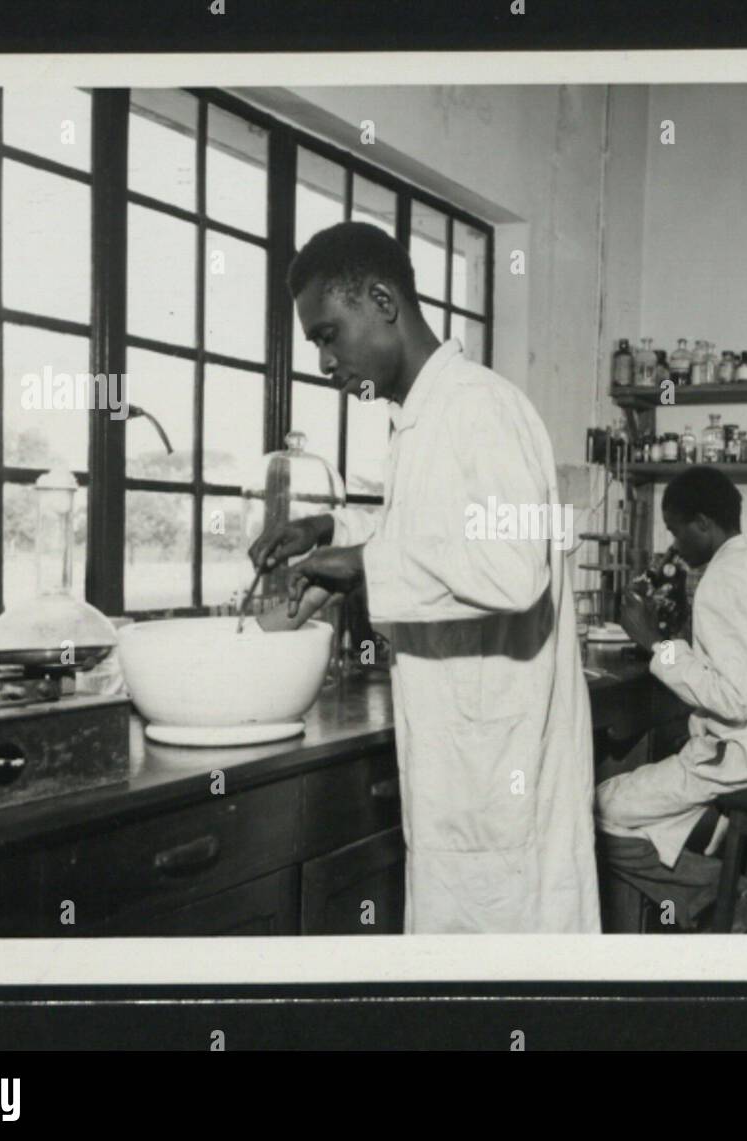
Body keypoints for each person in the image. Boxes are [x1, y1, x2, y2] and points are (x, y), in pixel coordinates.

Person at [249, 222, 599, 934]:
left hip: (502, 779)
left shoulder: (478, 408)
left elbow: (511, 567)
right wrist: (335, 535)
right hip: (467, 768)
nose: (322, 360)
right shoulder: (422, 419)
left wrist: (364, 566)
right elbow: (444, 540)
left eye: (325, 334)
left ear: (381, 299)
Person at [596, 466, 747, 931]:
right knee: (649, 803)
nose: (673, 544)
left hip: (746, 760)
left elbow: (733, 698)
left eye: (675, 529)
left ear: (703, 524)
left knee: (599, 807)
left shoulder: (722, 581)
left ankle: (735, 892)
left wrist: (653, 643)